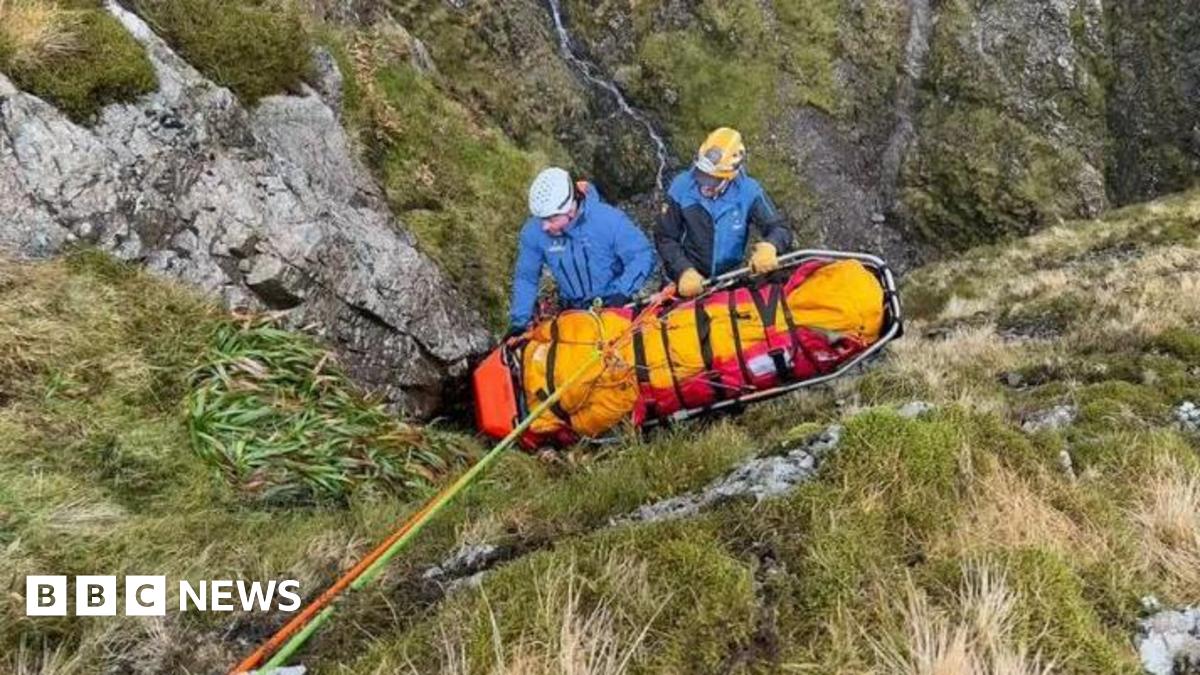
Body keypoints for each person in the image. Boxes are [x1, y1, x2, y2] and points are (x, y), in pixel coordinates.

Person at [507, 167, 656, 335]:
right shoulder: (534, 231)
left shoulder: (608, 221)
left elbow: (641, 255)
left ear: (571, 209)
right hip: (571, 312)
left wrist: (622, 292)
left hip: (613, 304)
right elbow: (527, 277)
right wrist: (519, 322)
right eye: (541, 219)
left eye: (551, 219)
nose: (544, 226)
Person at [655, 127, 793, 298]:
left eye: (713, 180)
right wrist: (683, 270)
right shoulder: (681, 187)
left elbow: (779, 228)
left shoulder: (749, 192)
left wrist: (770, 246)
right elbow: (665, 237)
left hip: (729, 279)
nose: (705, 185)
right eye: (701, 175)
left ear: (731, 175)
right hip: (686, 280)